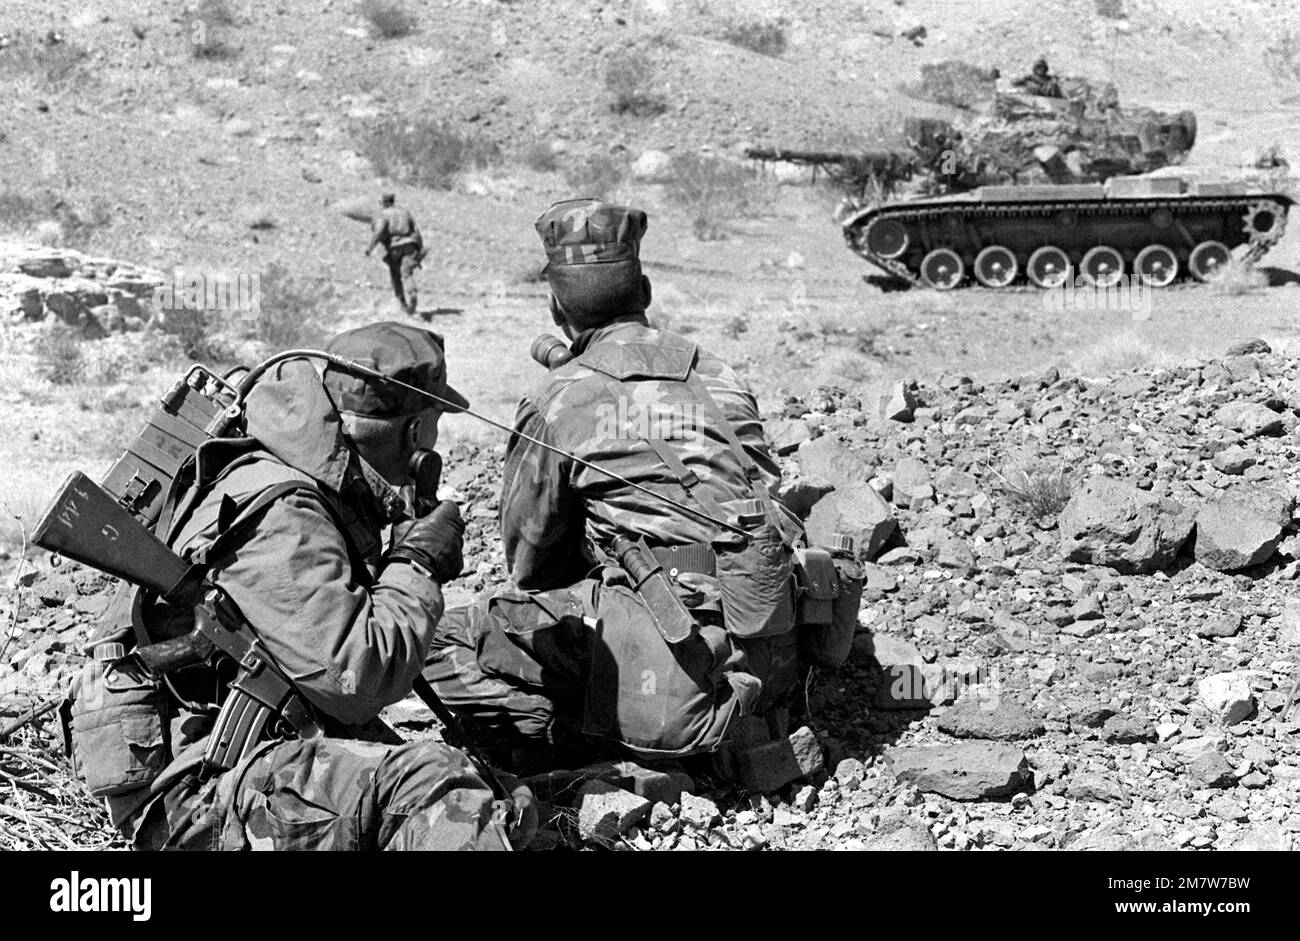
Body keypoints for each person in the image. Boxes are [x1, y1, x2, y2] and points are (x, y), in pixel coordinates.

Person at [76, 322, 533, 850]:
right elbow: (354, 680)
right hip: (195, 798)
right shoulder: (285, 512)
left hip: (242, 758)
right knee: (435, 790)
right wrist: (417, 566)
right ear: (413, 435)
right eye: (434, 425)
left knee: (486, 797)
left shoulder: (301, 477)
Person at [423, 199, 807, 775]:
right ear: (645, 291)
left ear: (556, 308)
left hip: (675, 655)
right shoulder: (720, 376)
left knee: (433, 638)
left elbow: (530, 564)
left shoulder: (558, 398)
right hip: (772, 641)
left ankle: (592, 744)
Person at [365, 193, 424, 316]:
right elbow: (416, 231)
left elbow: (379, 231)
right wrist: (420, 250)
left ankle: (402, 303)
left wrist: (370, 248)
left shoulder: (383, 215)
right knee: (407, 273)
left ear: (384, 202)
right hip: (410, 245)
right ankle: (412, 292)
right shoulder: (405, 212)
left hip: (394, 247)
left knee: (395, 275)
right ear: (393, 201)